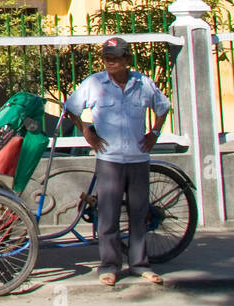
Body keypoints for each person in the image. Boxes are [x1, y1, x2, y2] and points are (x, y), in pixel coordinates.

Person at [63, 37, 172, 287]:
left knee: (139, 214)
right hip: (109, 159)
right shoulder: (95, 83)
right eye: (106, 58)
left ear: (126, 60)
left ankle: (140, 264)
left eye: (115, 58)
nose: (109, 63)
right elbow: (71, 107)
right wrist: (86, 130)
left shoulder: (142, 83)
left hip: (138, 158)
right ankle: (110, 265)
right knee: (109, 216)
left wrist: (154, 133)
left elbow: (163, 107)